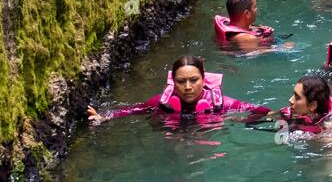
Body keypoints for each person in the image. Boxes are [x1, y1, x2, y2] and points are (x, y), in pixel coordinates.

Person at [86, 55, 269, 124]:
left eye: (194, 80)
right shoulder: (161, 102)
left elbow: (259, 110)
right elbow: (134, 109)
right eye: (181, 81)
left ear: (203, 79)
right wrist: (104, 116)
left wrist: (244, 119)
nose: (188, 87)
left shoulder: (220, 104)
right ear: (173, 82)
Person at [265, 74, 332, 132]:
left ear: (312, 105)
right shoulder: (291, 112)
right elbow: (268, 116)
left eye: (297, 97)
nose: (290, 100)